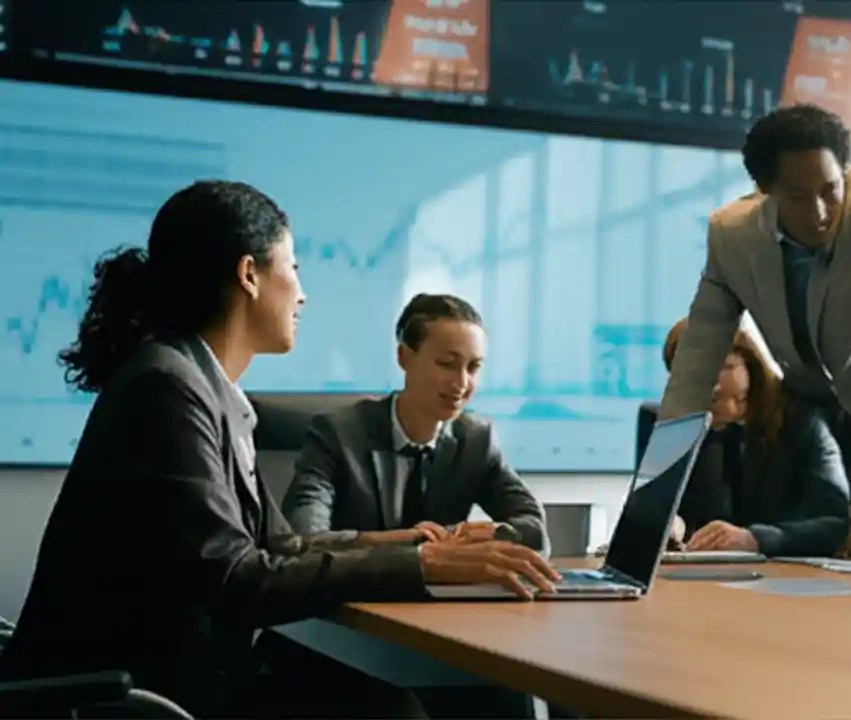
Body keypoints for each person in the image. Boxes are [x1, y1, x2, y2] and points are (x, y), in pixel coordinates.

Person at [0, 181, 558, 719]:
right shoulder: (167, 388)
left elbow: (279, 543)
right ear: (250, 274)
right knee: (388, 712)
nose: (303, 291)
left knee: (400, 704)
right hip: (128, 693)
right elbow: (239, 580)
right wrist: (424, 564)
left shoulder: (203, 385)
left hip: (176, 669)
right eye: (293, 267)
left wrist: (397, 541)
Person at [658, 104, 851, 563]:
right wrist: (656, 506)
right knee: (819, 573)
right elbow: (694, 365)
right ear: (766, 190)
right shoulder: (731, 234)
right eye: (800, 198)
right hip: (822, 423)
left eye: (831, 190)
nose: (820, 212)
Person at [282, 294, 548, 554]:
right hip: (356, 592)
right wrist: (404, 543)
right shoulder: (337, 433)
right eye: (447, 364)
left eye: (474, 367)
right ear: (404, 357)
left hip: (441, 596)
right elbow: (302, 539)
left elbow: (535, 532)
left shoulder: (477, 440)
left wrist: (495, 532)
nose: (462, 383)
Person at [640, 319, 850, 558]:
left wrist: (754, 539)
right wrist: (672, 524)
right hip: (710, 574)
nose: (711, 384)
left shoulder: (802, 421)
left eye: (723, 365)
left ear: (749, 362)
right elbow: (670, 508)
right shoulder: (684, 427)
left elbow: (839, 524)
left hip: (785, 573)